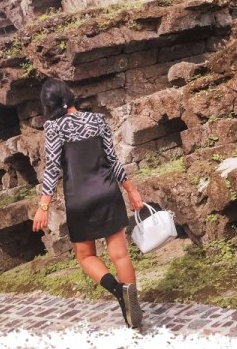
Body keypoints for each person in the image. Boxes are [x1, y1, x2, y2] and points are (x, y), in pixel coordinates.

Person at [32, 78, 145, 328]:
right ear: (69, 95)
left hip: (80, 200)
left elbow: (52, 169)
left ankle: (119, 292)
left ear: (48, 104)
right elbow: (113, 160)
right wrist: (131, 190)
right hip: (108, 193)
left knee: (85, 257)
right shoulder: (97, 120)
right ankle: (132, 307)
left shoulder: (53, 127)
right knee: (120, 255)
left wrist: (43, 206)